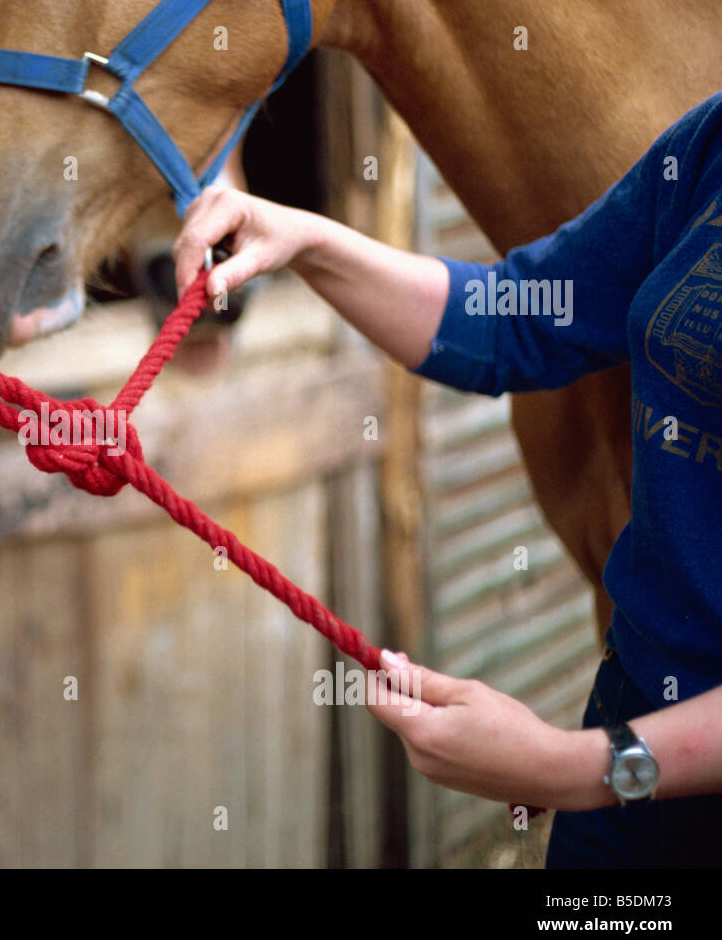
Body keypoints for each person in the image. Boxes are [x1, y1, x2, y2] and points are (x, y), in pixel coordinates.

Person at [172, 92, 722, 868]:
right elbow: (514, 319)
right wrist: (306, 239)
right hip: (627, 756)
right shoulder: (708, 149)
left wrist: (568, 767)